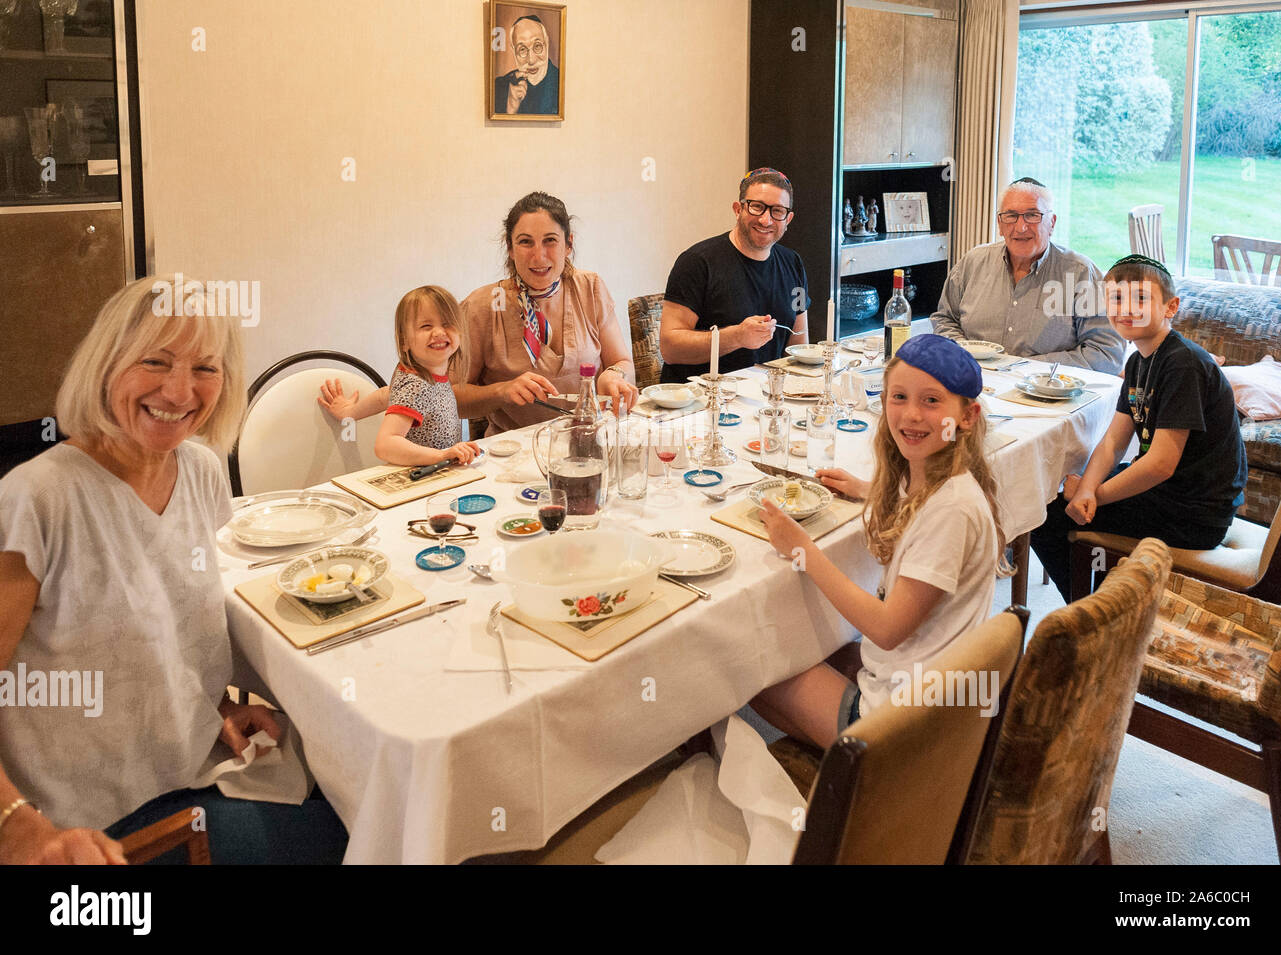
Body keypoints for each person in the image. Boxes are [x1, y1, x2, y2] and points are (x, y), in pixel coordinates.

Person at [0, 277, 348, 864]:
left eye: (205, 369)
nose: (180, 390)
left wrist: (212, 707)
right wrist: (19, 828)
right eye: (155, 362)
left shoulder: (201, 470)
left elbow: (166, 622)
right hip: (85, 827)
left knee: (364, 807)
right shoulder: (37, 499)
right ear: (107, 366)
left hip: (189, 773)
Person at [751, 335, 1009, 749]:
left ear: (968, 415)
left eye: (931, 401)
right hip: (930, 686)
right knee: (809, 641)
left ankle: (860, 780)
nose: (911, 415)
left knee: (757, 669)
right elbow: (920, 507)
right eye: (899, 397)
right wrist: (868, 490)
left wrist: (803, 550)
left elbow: (887, 630)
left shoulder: (952, 511)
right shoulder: (940, 479)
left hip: (905, 725)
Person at [321, 194, 638, 437]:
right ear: (510, 249)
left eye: (550, 242)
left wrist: (615, 376)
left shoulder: (591, 288)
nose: (538, 256)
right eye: (525, 242)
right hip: (514, 455)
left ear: (569, 245)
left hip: (590, 440)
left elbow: (622, 363)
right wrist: (502, 392)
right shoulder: (483, 306)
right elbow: (444, 395)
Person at [1031, 254, 1248, 600]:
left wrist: (1094, 497)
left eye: (1141, 299)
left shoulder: (1183, 364)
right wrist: (1088, 488)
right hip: (1170, 497)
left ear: (1170, 307)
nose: (1126, 308)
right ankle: (1105, 605)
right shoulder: (1137, 362)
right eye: (1116, 298)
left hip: (1193, 513)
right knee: (1055, 497)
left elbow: (1161, 464)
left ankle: (1098, 613)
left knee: (1044, 518)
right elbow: (1113, 443)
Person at [930, 177, 1125, 374]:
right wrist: (967, 354)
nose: (1021, 227)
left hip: (1049, 396)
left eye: (1032, 215)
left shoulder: (1080, 273)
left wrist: (1025, 368)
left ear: (1052, 223)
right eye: (1011, 216)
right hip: (972, 382)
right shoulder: (973, 262)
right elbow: (945, 319)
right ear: (1000, 223)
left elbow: (1106, 354)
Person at [658, 167, 810, 384]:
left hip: (765, 396)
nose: (766, 220)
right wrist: (737, 336)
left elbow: (799, 339)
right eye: (757, 207)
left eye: (777, 211)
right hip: (700, 400)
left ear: (788, 219)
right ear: (738, 209)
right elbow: (670, 348)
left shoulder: (793, 263)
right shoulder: (697, 262)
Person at [317, 286, 481, 467]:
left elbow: (386, 395)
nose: (439, 332)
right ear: (405, 342)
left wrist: (350, 412)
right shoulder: (416, 385)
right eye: (426, 326)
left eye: (447, 323)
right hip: (422, 477)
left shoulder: (428, 374)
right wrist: (441, 455)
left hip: (439, 471)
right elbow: (385, 445)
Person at [493, 15, 561, 116]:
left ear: (546, 43)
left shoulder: (562, 83)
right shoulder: (498, 87)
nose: (531, 60)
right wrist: (510, 109)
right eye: (522, 49)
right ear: (514, 52)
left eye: (537, 46)